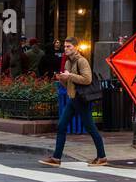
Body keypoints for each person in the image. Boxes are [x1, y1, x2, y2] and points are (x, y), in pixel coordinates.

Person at [39, 37, 107, 167]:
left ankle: (102, 156)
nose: (66, 49)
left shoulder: (82, 61)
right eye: (65, 46)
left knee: (90, 128)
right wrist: (62, 79)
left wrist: (69, 76)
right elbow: (69, 84)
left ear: (76, 47)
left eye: (68, 46)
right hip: (73, 98)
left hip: (82, 100)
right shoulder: (67, 63)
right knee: (62, 126)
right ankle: (56, 158)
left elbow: (87, 79)